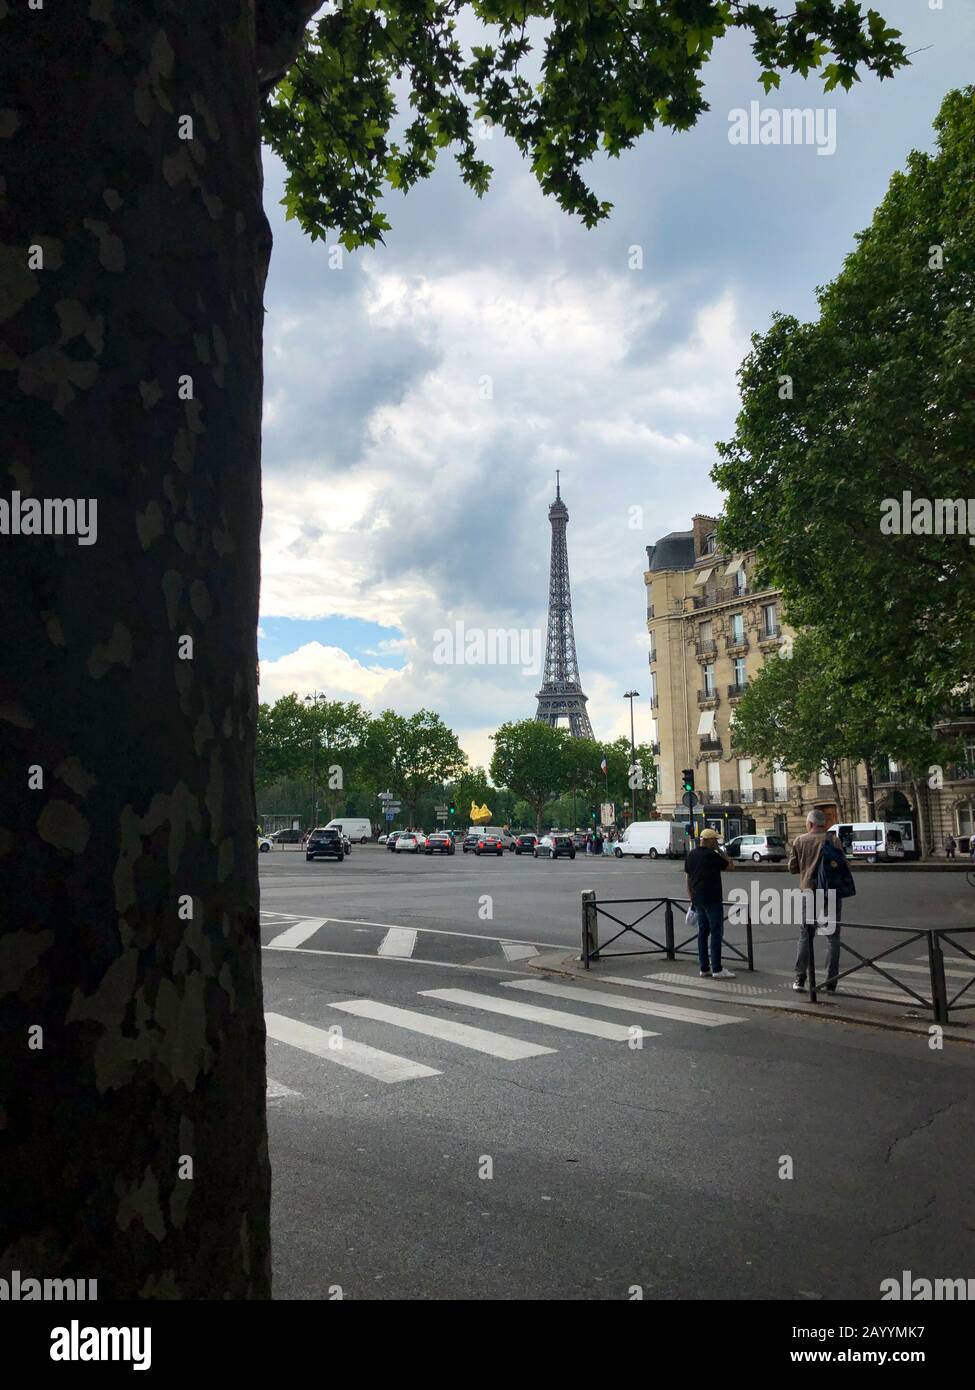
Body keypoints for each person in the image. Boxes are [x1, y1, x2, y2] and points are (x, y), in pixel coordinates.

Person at [790, 810, 851, 993]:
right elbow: (844, 865)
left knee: (805, 935)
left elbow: (793, 868)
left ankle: (800, 979)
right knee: (833, 938)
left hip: (809, 891)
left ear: (809, 823)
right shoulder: (834, 840)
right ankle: (831, 983)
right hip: (831, 892)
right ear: (824, 824)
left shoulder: (800, 840)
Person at [685, 827, 735, 980]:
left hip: (697, 899)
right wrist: (721, 851)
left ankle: (704, 967)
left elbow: (687, 878)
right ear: (708, 841)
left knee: (702, 933)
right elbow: (731, 866)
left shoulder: (691, 855)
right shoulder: (712, 855)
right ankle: (717, 969)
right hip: (712, 899)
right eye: (715, 840)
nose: (717, 843)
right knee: (716, 932)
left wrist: (691, 897)